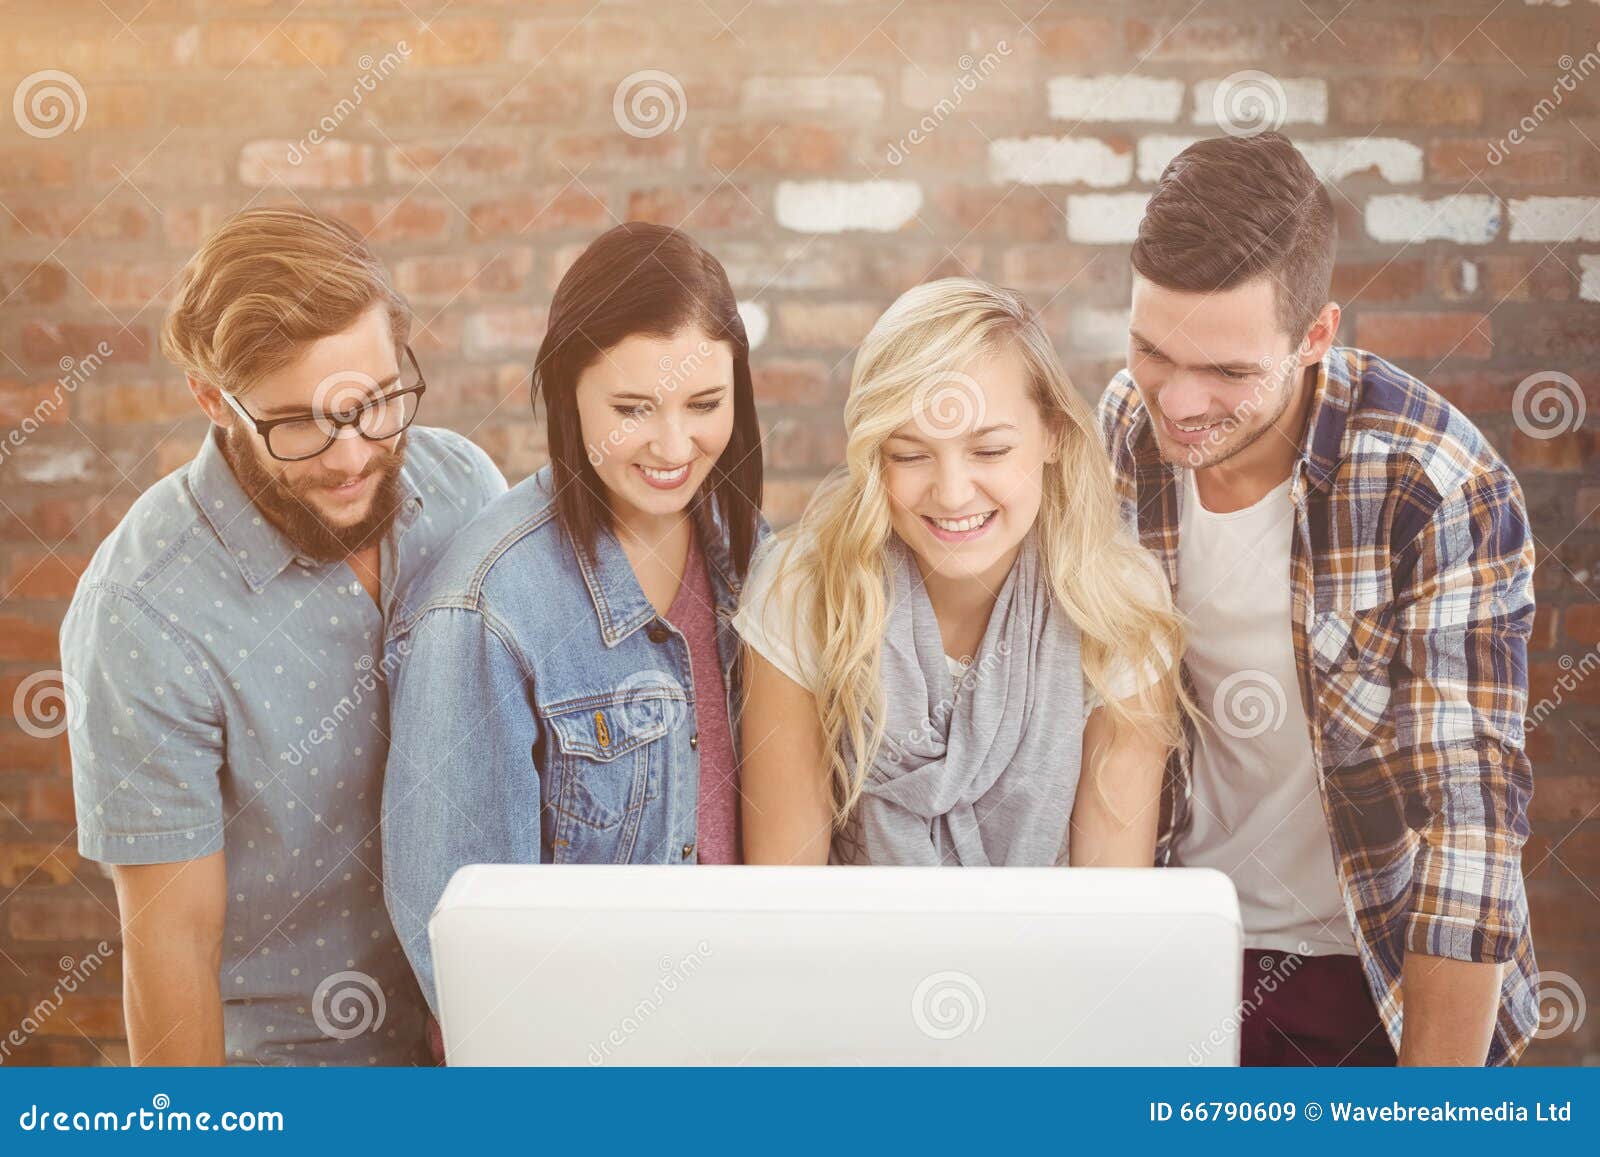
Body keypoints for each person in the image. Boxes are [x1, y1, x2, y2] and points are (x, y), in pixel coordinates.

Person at [1099, 131, 1539, 1066]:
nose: (1177, 403)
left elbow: (1467, 827)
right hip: (1178, 952)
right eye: (1151, 350)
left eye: (1228, 372)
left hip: (1369, 976)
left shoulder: (1435, 483)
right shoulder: (1123, 430)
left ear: (1316, 338)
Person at [61, 206, 506, 1065]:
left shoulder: (465, 490)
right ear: (211, 398)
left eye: (375, 403)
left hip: (492, 1052)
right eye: (298, 422)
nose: (351, 456)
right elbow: (174, 946)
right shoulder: (142, 612)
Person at [381, 222, 766, 1022]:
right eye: (632, 408)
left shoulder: (755, 557)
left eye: (704, 404)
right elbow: (465, 952)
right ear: (568, 394)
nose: (674, 445)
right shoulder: (486, 608)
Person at [736, 277, 1183, 869]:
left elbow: (1109, 900)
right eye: (910, 454)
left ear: (1052, 434)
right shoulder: (800, 591)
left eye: (989, 451)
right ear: (874, 457)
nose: (951, 493)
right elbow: (787, 895)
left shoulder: (1118, 602)